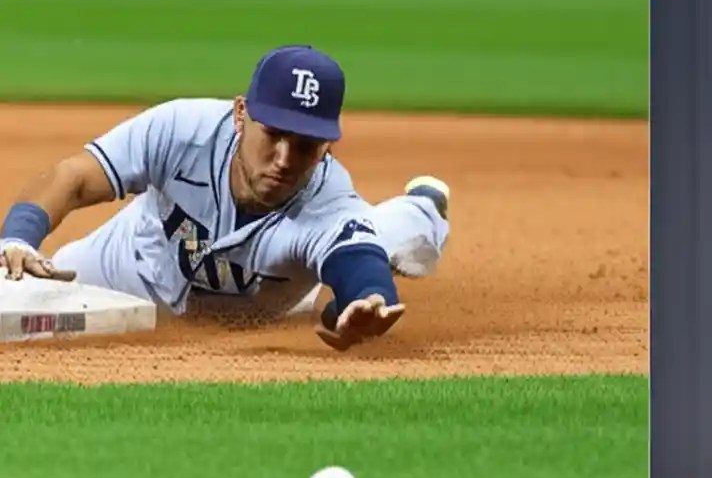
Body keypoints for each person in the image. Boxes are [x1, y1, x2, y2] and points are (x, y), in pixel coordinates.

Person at [0, 45, 450, 352]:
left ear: (328, 146)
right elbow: (73, 177)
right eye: (273, 134)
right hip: (125, 268)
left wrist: (362, 300)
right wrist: (17, 239)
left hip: (257, 311)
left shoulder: (328, 202)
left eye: (306, 145)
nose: (284, 159)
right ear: (241, 113)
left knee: (377, 235)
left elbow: (357, 261)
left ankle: (422, 209)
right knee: (26, 295)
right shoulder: (180, 130)